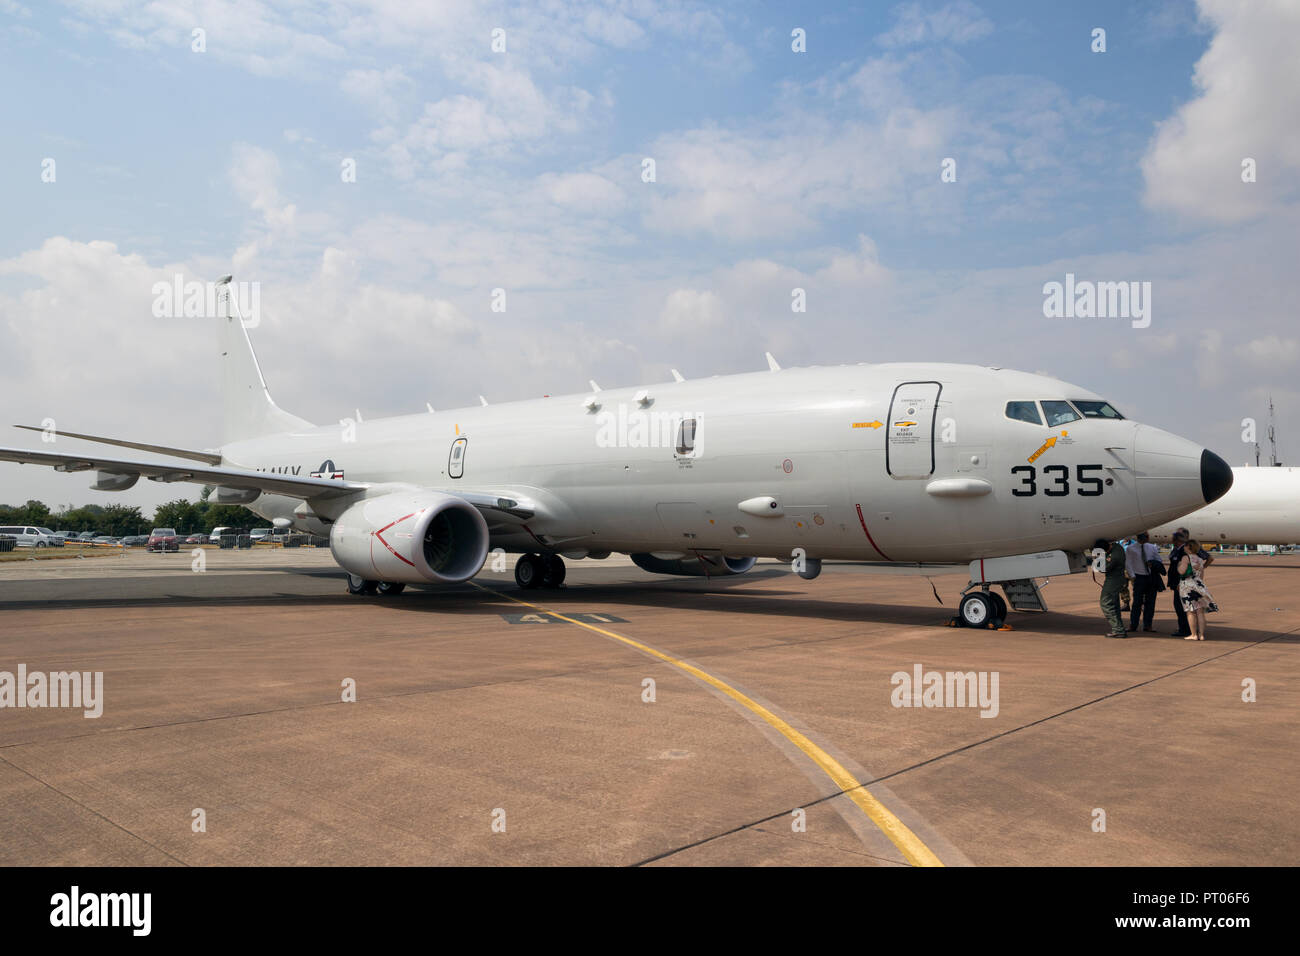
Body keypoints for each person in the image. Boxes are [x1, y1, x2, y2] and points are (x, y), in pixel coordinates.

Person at [1167, 527, 1214, 636]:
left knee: (1185, 608)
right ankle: (1195, 631)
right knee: (1193, 609)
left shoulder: (1188, 549)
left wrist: (1198, 571)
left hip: (1184, 584)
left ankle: (1186, 630)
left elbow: (1210, 558)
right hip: (1184, 583)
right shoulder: (1177, 549)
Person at [1176, 539, 1218, 640]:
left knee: (1190, 611)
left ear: (1188, 547)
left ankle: (1193, 634)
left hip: (1187, 586)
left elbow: (1182, 572)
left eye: (1185, 546)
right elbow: (1201, 575)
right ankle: (1201, 634)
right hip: (1199, 585)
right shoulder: (1199, 559)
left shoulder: (1186, 558)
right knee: (1200, 612)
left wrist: (1178, 566)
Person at [1126, 532, 1162, 632]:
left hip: (1151, 577)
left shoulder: (1152, 547)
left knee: (1150, 603)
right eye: (1145, 537)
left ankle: (1148, 625)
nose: (1147, 538)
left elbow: (1158, 560)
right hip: (1139, 577)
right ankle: (1133, 624)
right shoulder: (1131, 548)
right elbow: (1128, 563)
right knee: (1137, 603)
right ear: (1139, 537)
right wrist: (1133, 576)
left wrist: (1153, 563)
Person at [1096, 537, 1128, 638]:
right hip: (1118, 579)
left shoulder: (1114, 556)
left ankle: (1118, 629)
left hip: (1113, 580)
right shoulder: (1117, 547)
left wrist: (1098, 557)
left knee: (1105, 603)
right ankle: (1119, 628)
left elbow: (1102, 568)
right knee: (1114, 604)